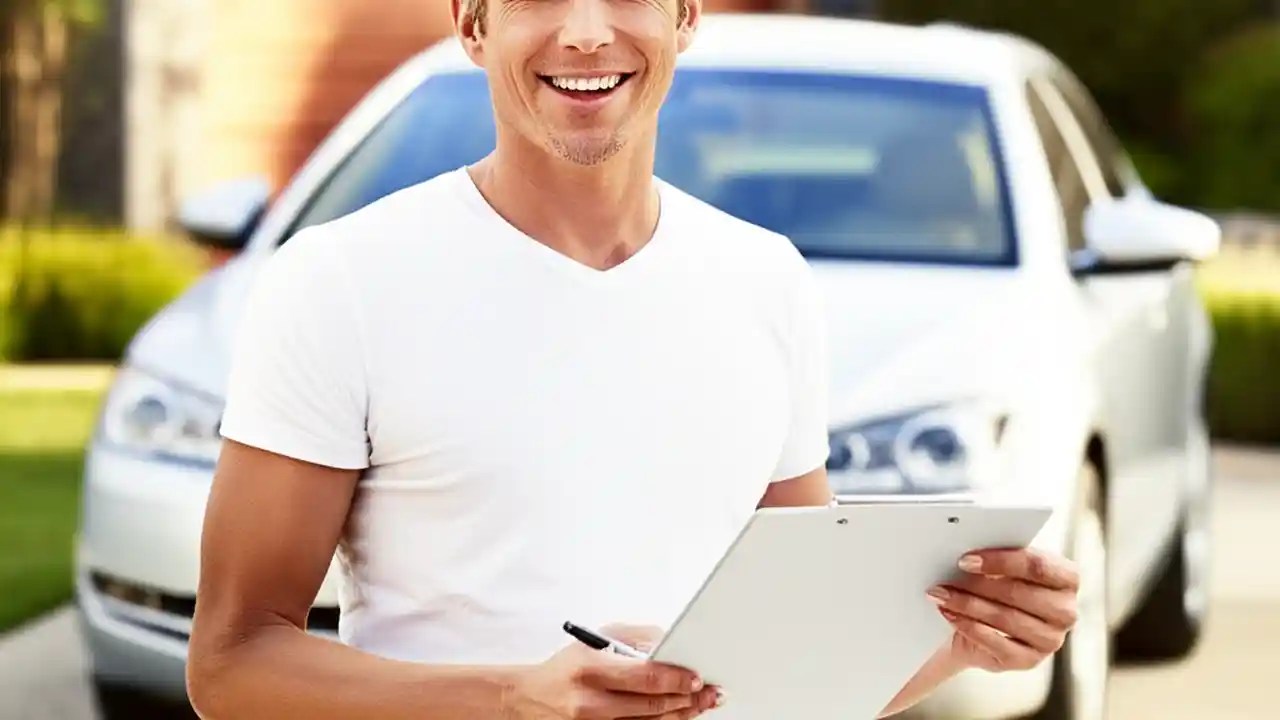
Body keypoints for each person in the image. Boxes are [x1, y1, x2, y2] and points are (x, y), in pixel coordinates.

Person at [186, 0, 1082, 718]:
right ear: (471, 22)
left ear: (686, 17)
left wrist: (966, 640)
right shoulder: (339, 280)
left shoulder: (765, 278)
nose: (585, 29)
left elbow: (805, 677)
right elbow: (232, 666)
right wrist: (513, 700)